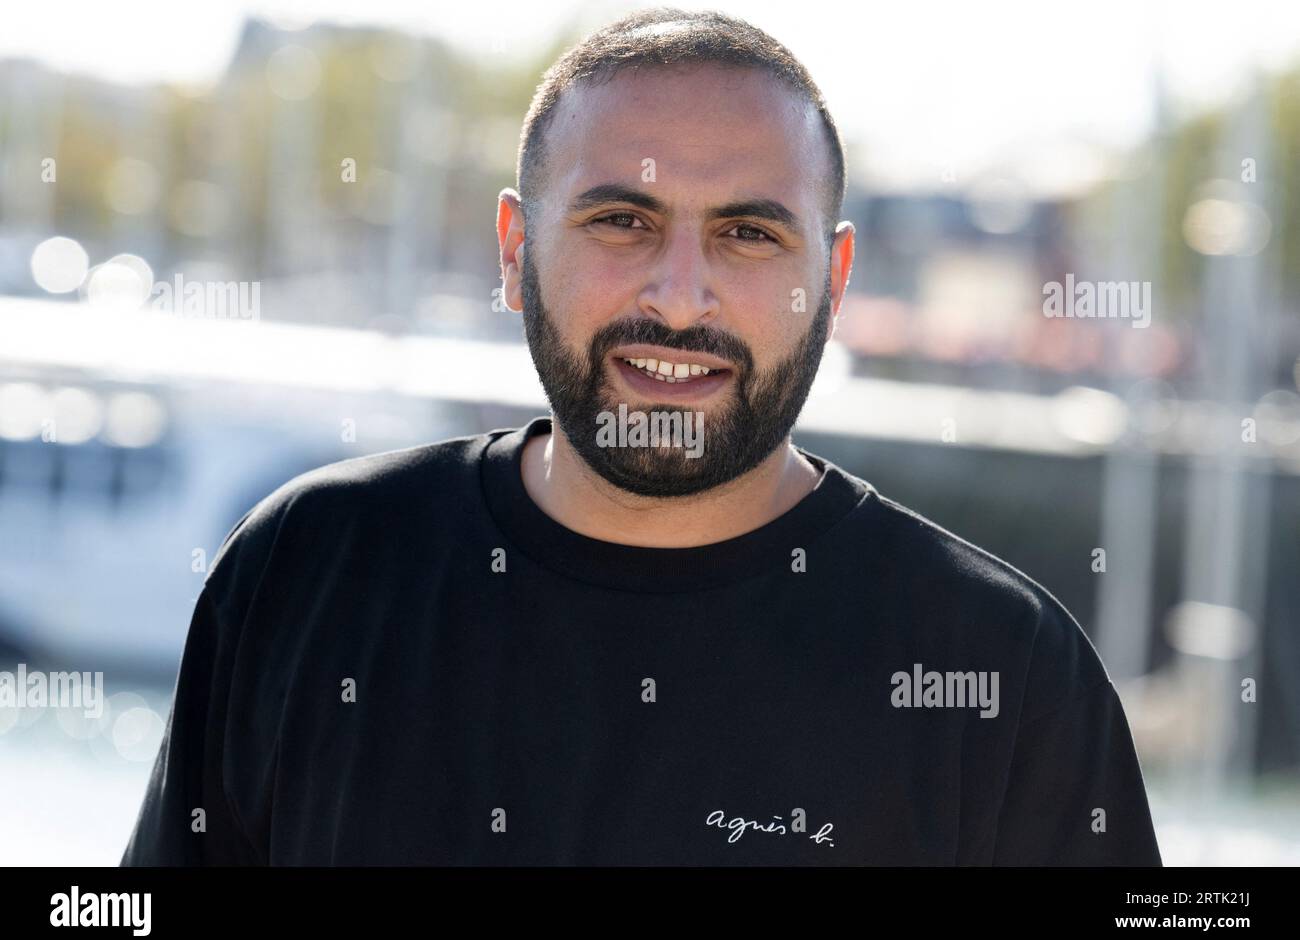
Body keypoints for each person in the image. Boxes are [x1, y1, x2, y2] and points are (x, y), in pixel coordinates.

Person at [121, 7, 1161, 866]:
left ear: (833, 281)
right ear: (515, 247)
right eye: (621, 220)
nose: (677, 298)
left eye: (747, 233)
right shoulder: (310, 569)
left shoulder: (1003, 675)